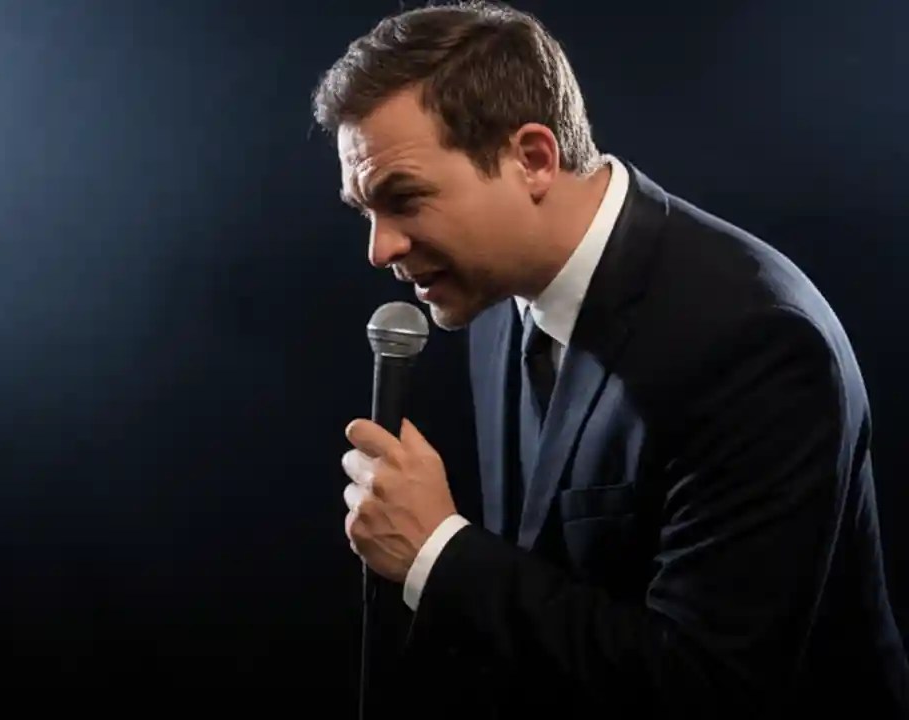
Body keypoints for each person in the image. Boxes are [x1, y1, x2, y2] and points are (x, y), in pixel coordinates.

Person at [314, 2, 909, 717]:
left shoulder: (757, 342)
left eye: (403, 198)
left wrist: (437, 552)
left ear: (532, 159)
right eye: (364, 211)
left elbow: (709, 689)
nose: (380, 249)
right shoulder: (494, 298)